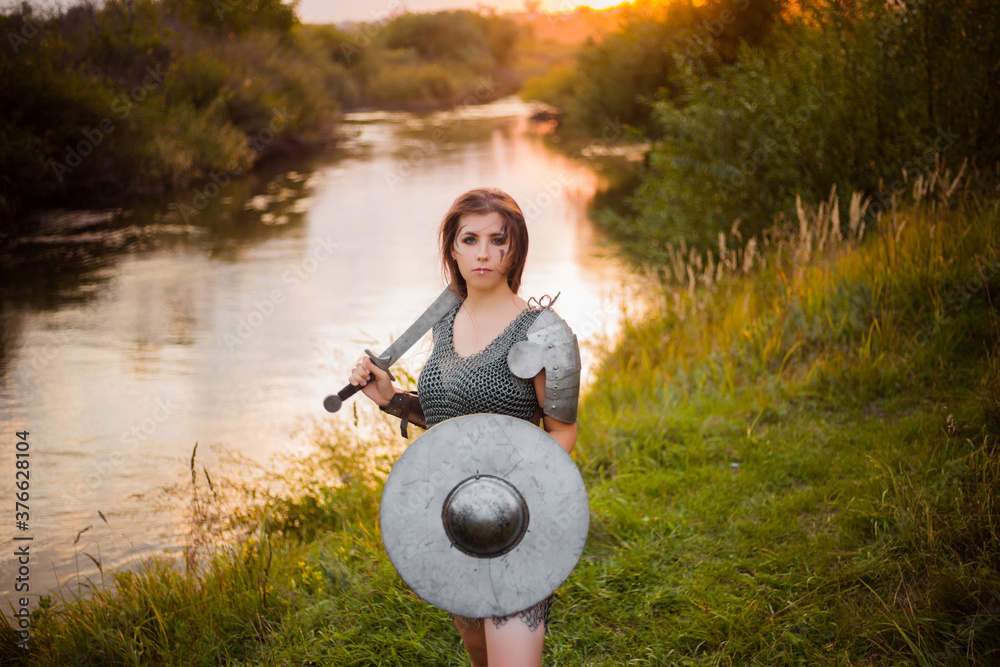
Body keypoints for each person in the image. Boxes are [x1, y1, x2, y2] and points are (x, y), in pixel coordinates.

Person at [348, 187, 579, 667]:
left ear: (515, 248)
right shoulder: (445, 319)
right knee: (478, 653)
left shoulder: (543, 332)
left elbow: (562, 433)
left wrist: (513, 499)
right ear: (451, 248)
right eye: (470, 239)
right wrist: (392, 400)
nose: (485, 253)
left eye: (499, 240)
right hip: (455, 520)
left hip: (518, 521)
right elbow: (450, 422)